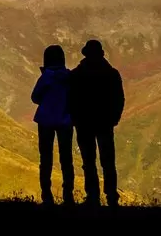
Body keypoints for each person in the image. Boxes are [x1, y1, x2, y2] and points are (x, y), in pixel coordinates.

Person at [68, 40, 125, 207]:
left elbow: (71, 99)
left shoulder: (76, 75)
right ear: (101, 53)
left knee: (89, 161)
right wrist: (114, 118)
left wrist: (75, 118)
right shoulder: (112, 74)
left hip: (84, 123)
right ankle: (111, 197)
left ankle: (93, 196)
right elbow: (119, 99)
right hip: (105, 123)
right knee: (108, 161)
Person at [30, 45, 75, 205]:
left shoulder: (46, 77)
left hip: (45, 121)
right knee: (66, 158)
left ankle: (47, 196)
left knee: (46, 158)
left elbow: (35, 97)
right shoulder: (69, 77)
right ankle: (68, 195)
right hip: (65, 120)